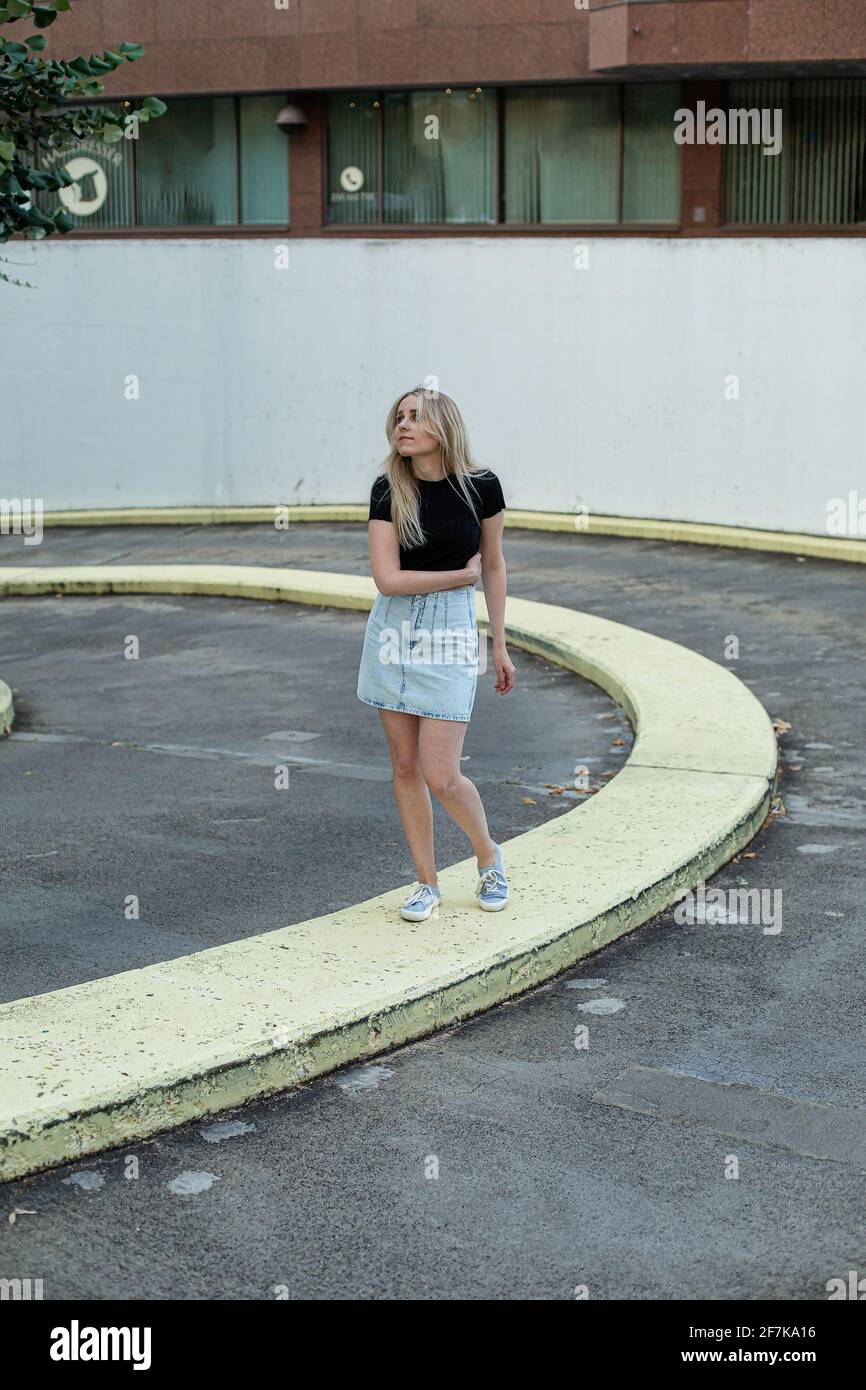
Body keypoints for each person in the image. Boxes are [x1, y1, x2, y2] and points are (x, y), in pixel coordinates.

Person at [357, 386, 516, 921]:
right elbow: (387, 580)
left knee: (441, 774)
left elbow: (492, 565)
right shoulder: (388, 490)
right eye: (398, 417)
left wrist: (500, 643)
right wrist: (458, 576)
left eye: (415, 417)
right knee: (405, 768)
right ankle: (426, 882)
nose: (402, 425)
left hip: (451, 635)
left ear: (442, 427)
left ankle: (488, 856)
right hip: (393, 636)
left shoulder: (481, 488)